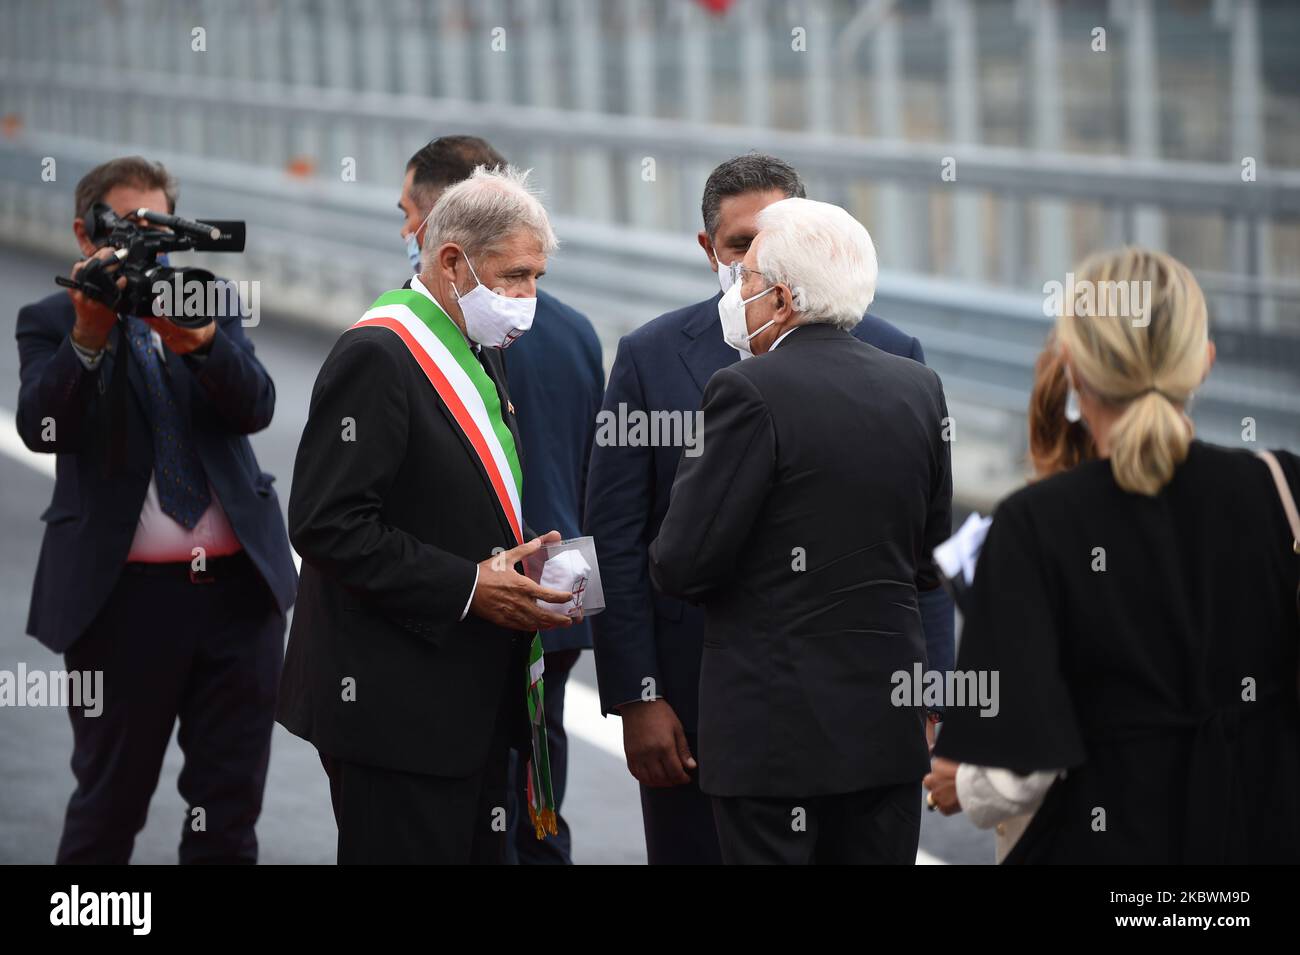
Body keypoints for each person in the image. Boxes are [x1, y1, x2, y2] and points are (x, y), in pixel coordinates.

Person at [585, 152, 954, 864]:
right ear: (708, 249)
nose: (750, 262)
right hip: (691, 712)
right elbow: (616, 536)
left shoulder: (896, 355)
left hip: (765, 723)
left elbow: (922, 564)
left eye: (766, 247)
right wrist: (637, 693)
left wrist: (932, 691)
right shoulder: (650, 354)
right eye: (738, 246)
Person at [926, 247, 1300, 864]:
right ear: (1202, 364)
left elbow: (1024, 765)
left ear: (1071, 370)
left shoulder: (1034, 525)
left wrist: (959, 785)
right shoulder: (1283, 489)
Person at [278, 165, 578, 864]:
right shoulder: (378, 353)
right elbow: (326, 523)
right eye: (516, 275)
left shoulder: (474, 343)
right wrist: (471, 586)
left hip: (466, 703)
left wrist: (523, 567)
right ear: (452, 261)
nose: (529, 297)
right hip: (393, 708)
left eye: (537, 276)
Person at [14, 156, 297, 863]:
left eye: (159, 235)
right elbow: (42, 426)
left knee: (228, 813)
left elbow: (255, 406)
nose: (149, 254)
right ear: (86, 234)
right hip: (122, 605)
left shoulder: (208, 300)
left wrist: (199, 345)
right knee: (109, 806)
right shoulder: (50, 317)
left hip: (237, 597)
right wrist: (88, 335)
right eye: (127, 232)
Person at [398, 135, 604, 864]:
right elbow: (589, 474)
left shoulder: (424, 337)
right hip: (559, 597)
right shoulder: (578, 331)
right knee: (540, 799)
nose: (403, 232)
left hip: (476, 605)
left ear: (443, 226)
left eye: (409, 212)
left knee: (473, 806)